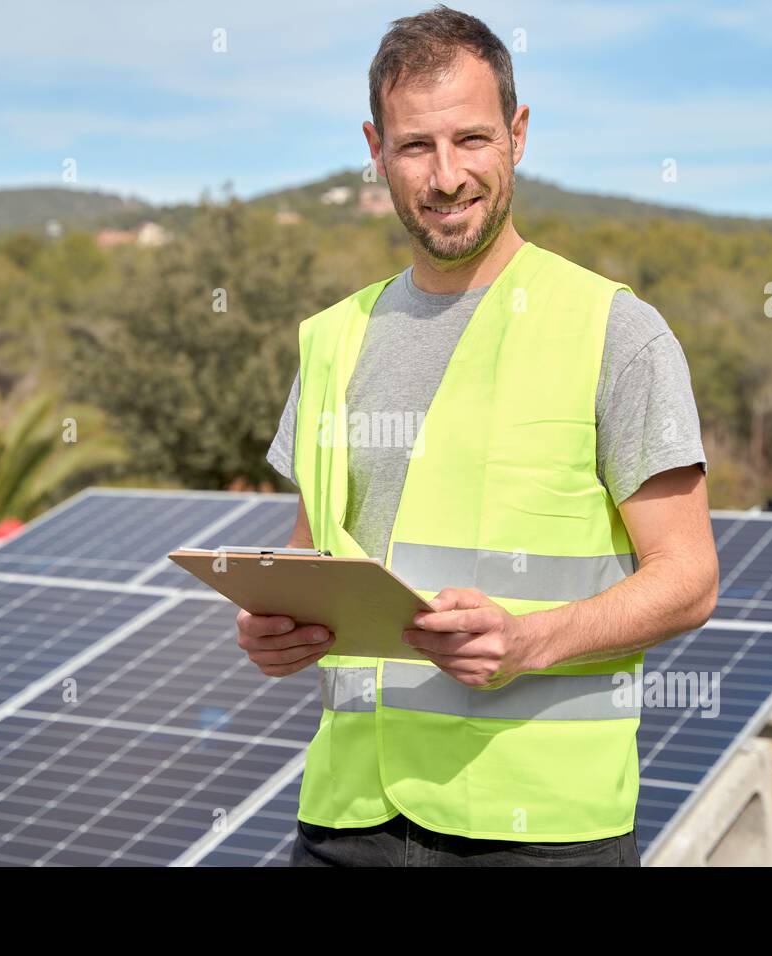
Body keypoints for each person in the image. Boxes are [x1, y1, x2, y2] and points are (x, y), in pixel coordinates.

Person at [237, 4, 718, 867]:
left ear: (518, 134)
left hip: (539, 830)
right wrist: (278, 629)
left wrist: (533, 641)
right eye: (416, 146)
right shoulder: (330, 339)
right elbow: (312, 559)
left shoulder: (614, 331)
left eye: (472, 139)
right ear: (376, 150)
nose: (447, 175)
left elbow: (688, 581)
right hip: (348, 818)